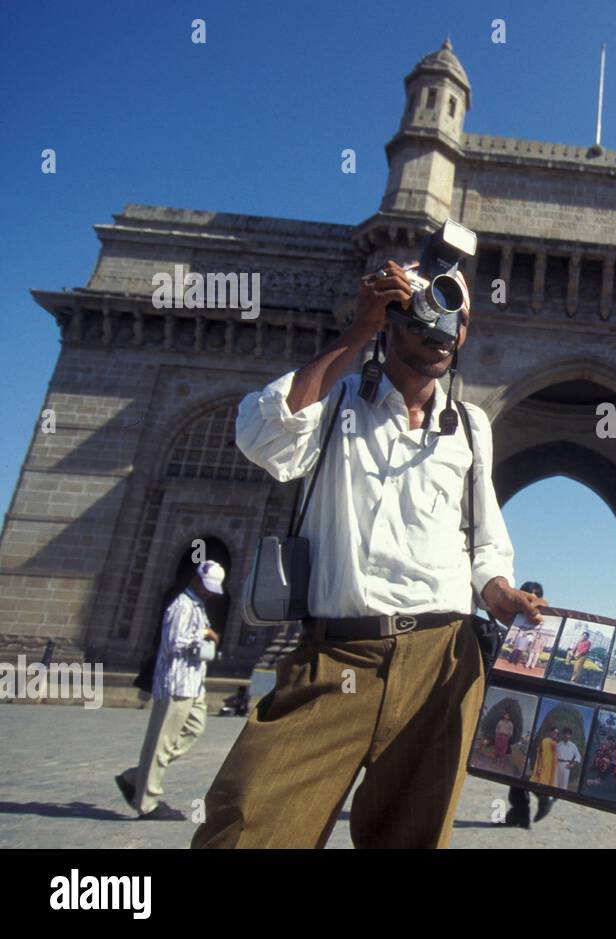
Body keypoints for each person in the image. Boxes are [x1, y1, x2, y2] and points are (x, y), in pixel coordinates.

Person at [191, 259, 546, 849]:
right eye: (419, 323)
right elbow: (262, 436)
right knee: (245, 824)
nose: (437, 338)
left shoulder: (471, 427)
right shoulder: (337, 403)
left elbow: (486, 543)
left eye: (450, 329)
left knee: (412, 838)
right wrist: (353, 334)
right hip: (338, 654)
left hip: (444, 660)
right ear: (388, 322)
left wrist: (499, 591)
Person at [115, 560, 225, 820]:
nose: (209, 592)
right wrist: (204, 636)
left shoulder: (197, 606)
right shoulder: (181, 606)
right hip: (176, 683)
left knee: (194, 729)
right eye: (207, 586)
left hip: (193, 683)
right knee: (161, 741)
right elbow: (174, 642)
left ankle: (136, 777)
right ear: (196, 580)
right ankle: (147, 803)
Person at [506, 582, 557, 828]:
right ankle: (522, 810)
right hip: (514, 694)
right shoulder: (513, 620)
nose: (531, 601)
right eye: (527, 596)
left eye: (535, 598)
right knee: (514, 754)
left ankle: (537, 797)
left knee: (520, 753)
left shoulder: (548, 624)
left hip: (534, 698)